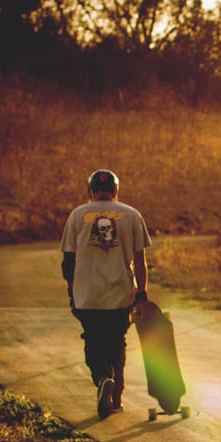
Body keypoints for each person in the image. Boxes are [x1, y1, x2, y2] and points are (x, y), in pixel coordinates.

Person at [60, 169, 152, 418]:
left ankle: (103, 379)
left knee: (93, 341)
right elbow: (140, 261)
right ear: (116, 191)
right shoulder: (132, 215)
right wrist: (142, 295)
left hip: (87, 295)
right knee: (116, 342)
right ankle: (117, 397)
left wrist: (72, 293)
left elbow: (68, 262)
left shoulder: (77, 215)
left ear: (90, 191)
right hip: (120, 294)